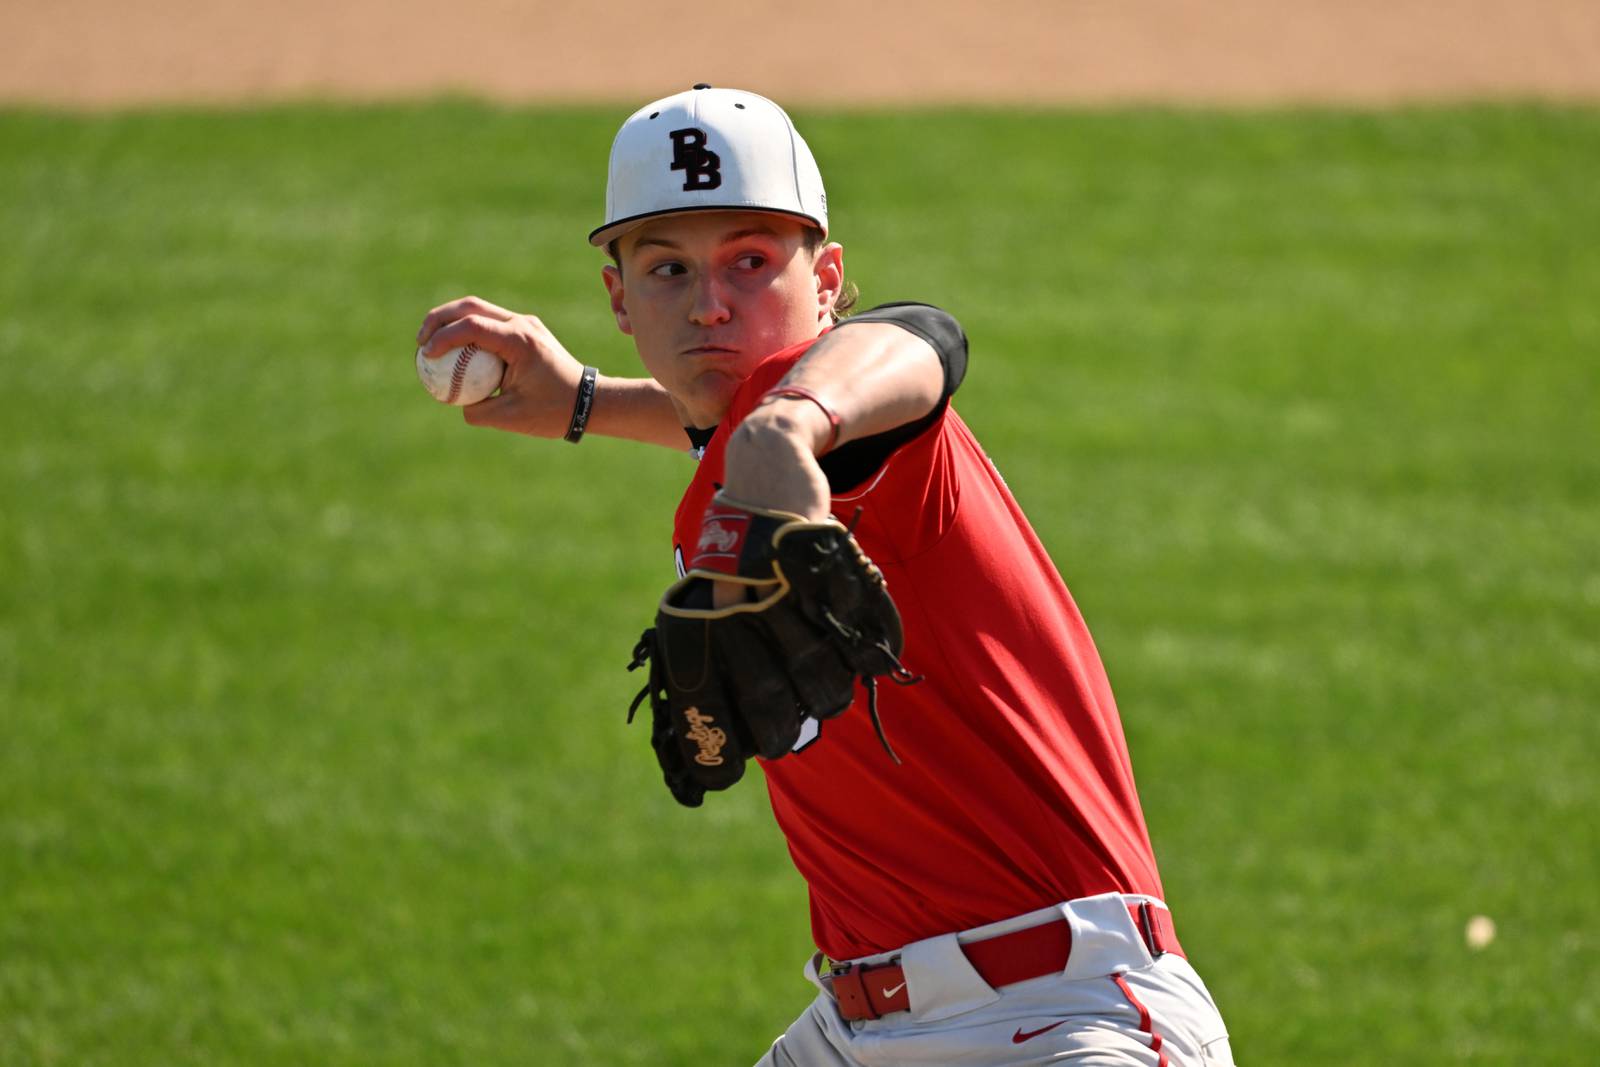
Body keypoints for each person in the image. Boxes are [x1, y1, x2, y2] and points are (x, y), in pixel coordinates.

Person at [416, 84, 1234, 1066]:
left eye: (751, 261)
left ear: (827, 278)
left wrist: (786, 422)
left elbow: (924, 337)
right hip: (854, 1027)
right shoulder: (750, 455)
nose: (710, 301)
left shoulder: (855, 418)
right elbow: (719, 416)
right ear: (618, 300)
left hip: (1067, 1018)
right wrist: (586, 398)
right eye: (667, 267)